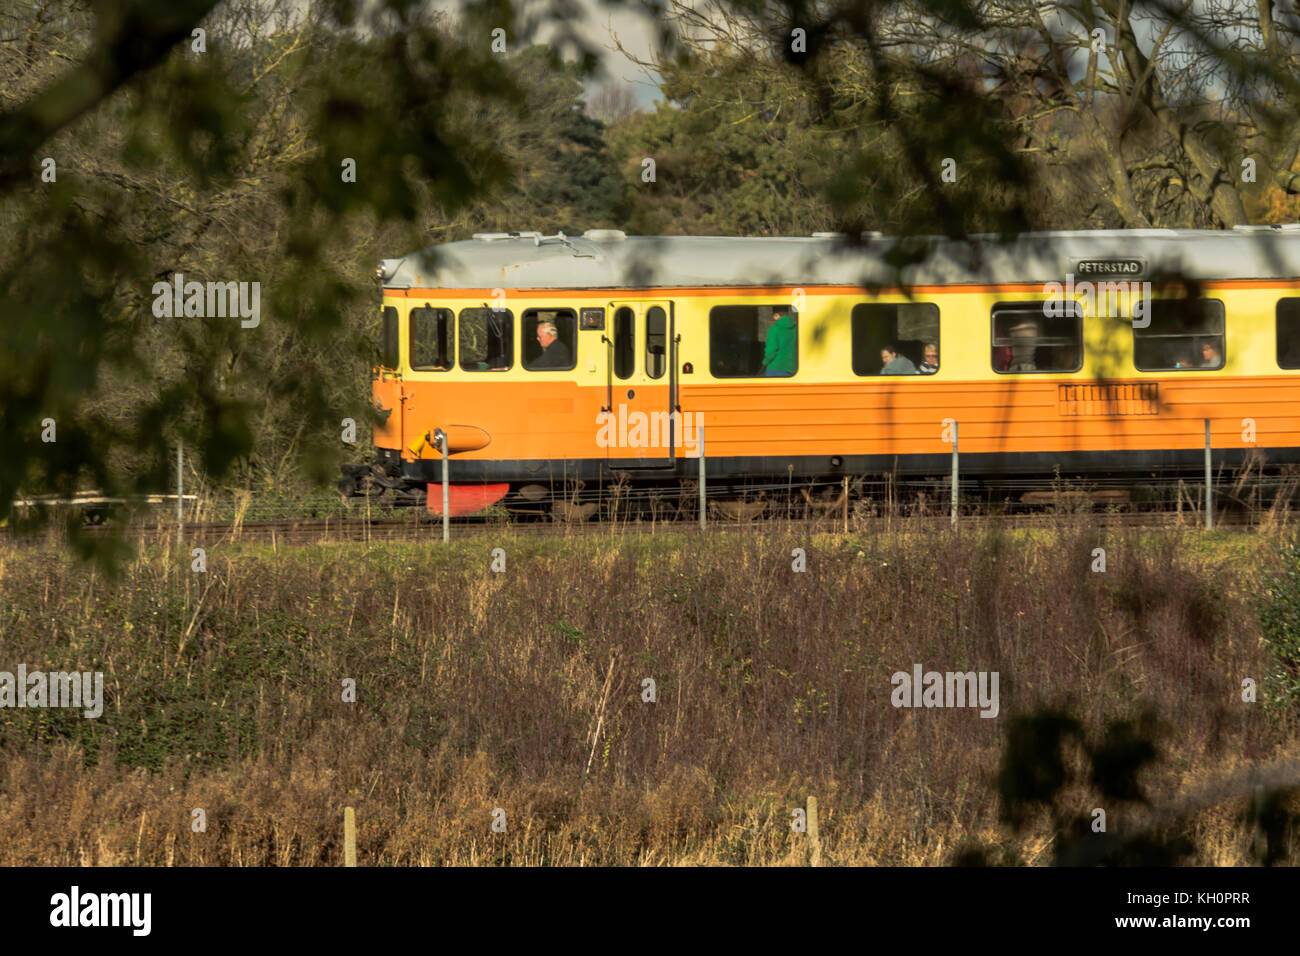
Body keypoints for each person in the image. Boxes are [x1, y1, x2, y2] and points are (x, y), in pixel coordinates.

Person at [761, 311, 797, 376]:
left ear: (776, 315)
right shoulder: (796, 329)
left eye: (773, 316)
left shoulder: (774, 329)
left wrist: (764, 363)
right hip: (794, 368)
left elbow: (771, 351)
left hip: (776, 368)